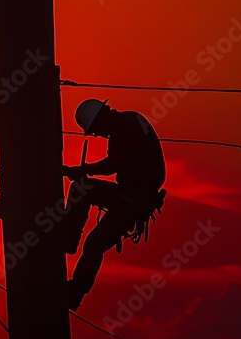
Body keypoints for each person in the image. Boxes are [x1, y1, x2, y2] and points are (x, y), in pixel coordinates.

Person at [60, 98, 167, 311]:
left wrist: (83, 170)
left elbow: (113, 164)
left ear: (101, 117)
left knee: (92, 237)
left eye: (94, 129)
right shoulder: (127, 123)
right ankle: (73, 277)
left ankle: (69, 249)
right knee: (93, 240)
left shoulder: (125, 126)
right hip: (131, 197)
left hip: (132, 201)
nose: (97, 134)